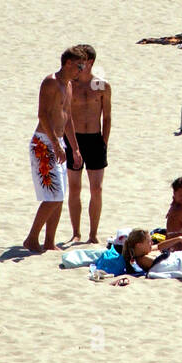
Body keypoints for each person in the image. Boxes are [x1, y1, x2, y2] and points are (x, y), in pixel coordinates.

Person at [23, 47, 86, 254]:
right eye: (79, 65)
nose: (81, 70)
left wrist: (74, 148)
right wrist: (56, 145)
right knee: (54, 196)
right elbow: (42, 115)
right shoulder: (50, 82)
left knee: (60, 193)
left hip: (58, 142)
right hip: (43, 143)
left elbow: (67, 118)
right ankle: (32, 238)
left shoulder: (68, 86)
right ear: (68, 63)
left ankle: (49, 241)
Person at [63, 45, 109, 246]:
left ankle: (93, 233)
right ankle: (76, 232)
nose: (79, 66)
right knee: (74, 187)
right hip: (74, 138)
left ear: (91, 62)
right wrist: (72, 144)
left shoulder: (102, 86)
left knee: (96, 189)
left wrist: (104, 142)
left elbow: (107, 116)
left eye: (83, 62)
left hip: (95, 139)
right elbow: (65, 114)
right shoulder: (70, 85)